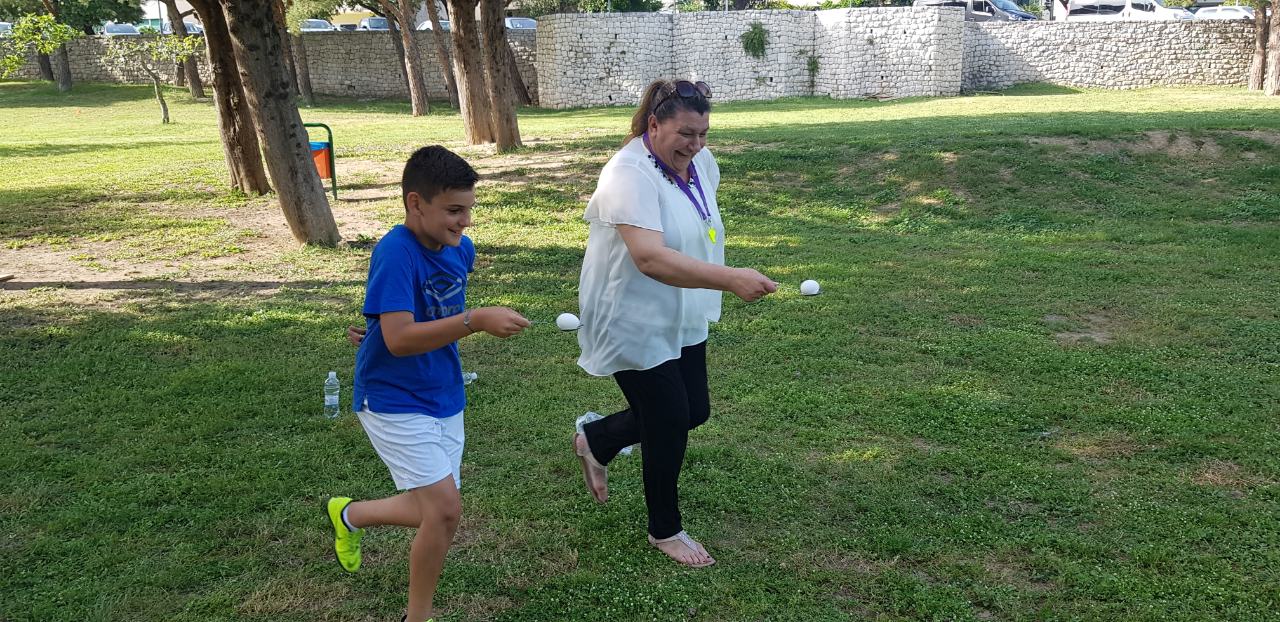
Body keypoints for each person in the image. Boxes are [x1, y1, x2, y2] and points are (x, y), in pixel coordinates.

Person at [572, 79, 778, 568]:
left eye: (704, 133)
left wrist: (715, 281)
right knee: (667, 419)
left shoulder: (702, 164)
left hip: (682, 309)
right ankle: (664, 529)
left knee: (693, 411)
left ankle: (596, 440)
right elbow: (648, 258)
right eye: (686, 133)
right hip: (631, 316)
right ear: (654, 125)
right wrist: (730, 279)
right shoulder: (628, 173)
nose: (696, 144)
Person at [327, 146, 530, 622]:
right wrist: (475, 320)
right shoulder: (395, 251)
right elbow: (398, 340)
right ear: (416, 203)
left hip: (444, 391)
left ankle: (349, 514)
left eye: (469, 210)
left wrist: (382, 325)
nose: (464, 223)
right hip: (392, 398)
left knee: (434, 511)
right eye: (454, 211)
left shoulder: (461, 249)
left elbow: (419, 314)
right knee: (443, 510)